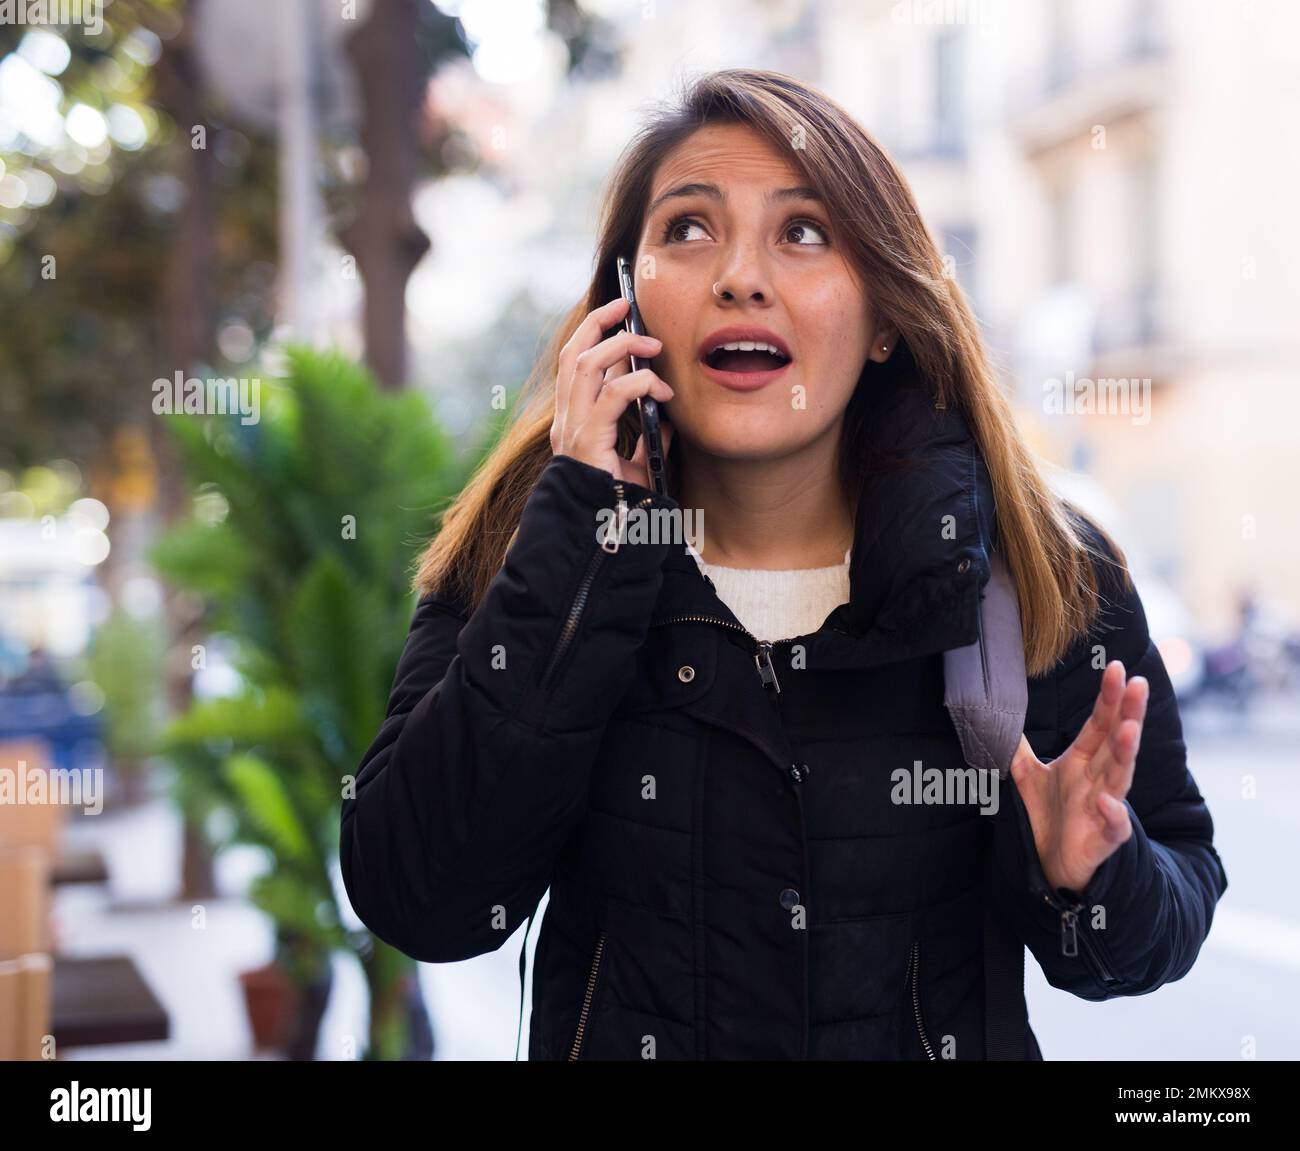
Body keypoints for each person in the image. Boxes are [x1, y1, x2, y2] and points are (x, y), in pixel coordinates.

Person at [339, 68, 1228, 1060]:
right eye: (687, 228)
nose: (740, 276)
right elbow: (420, 898)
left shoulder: (1034, 565)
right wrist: (583, 533)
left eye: (803, 232)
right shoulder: (533, 544)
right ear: (623, 303)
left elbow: (1166, 903)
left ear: (887, 310)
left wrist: (1095, 876)